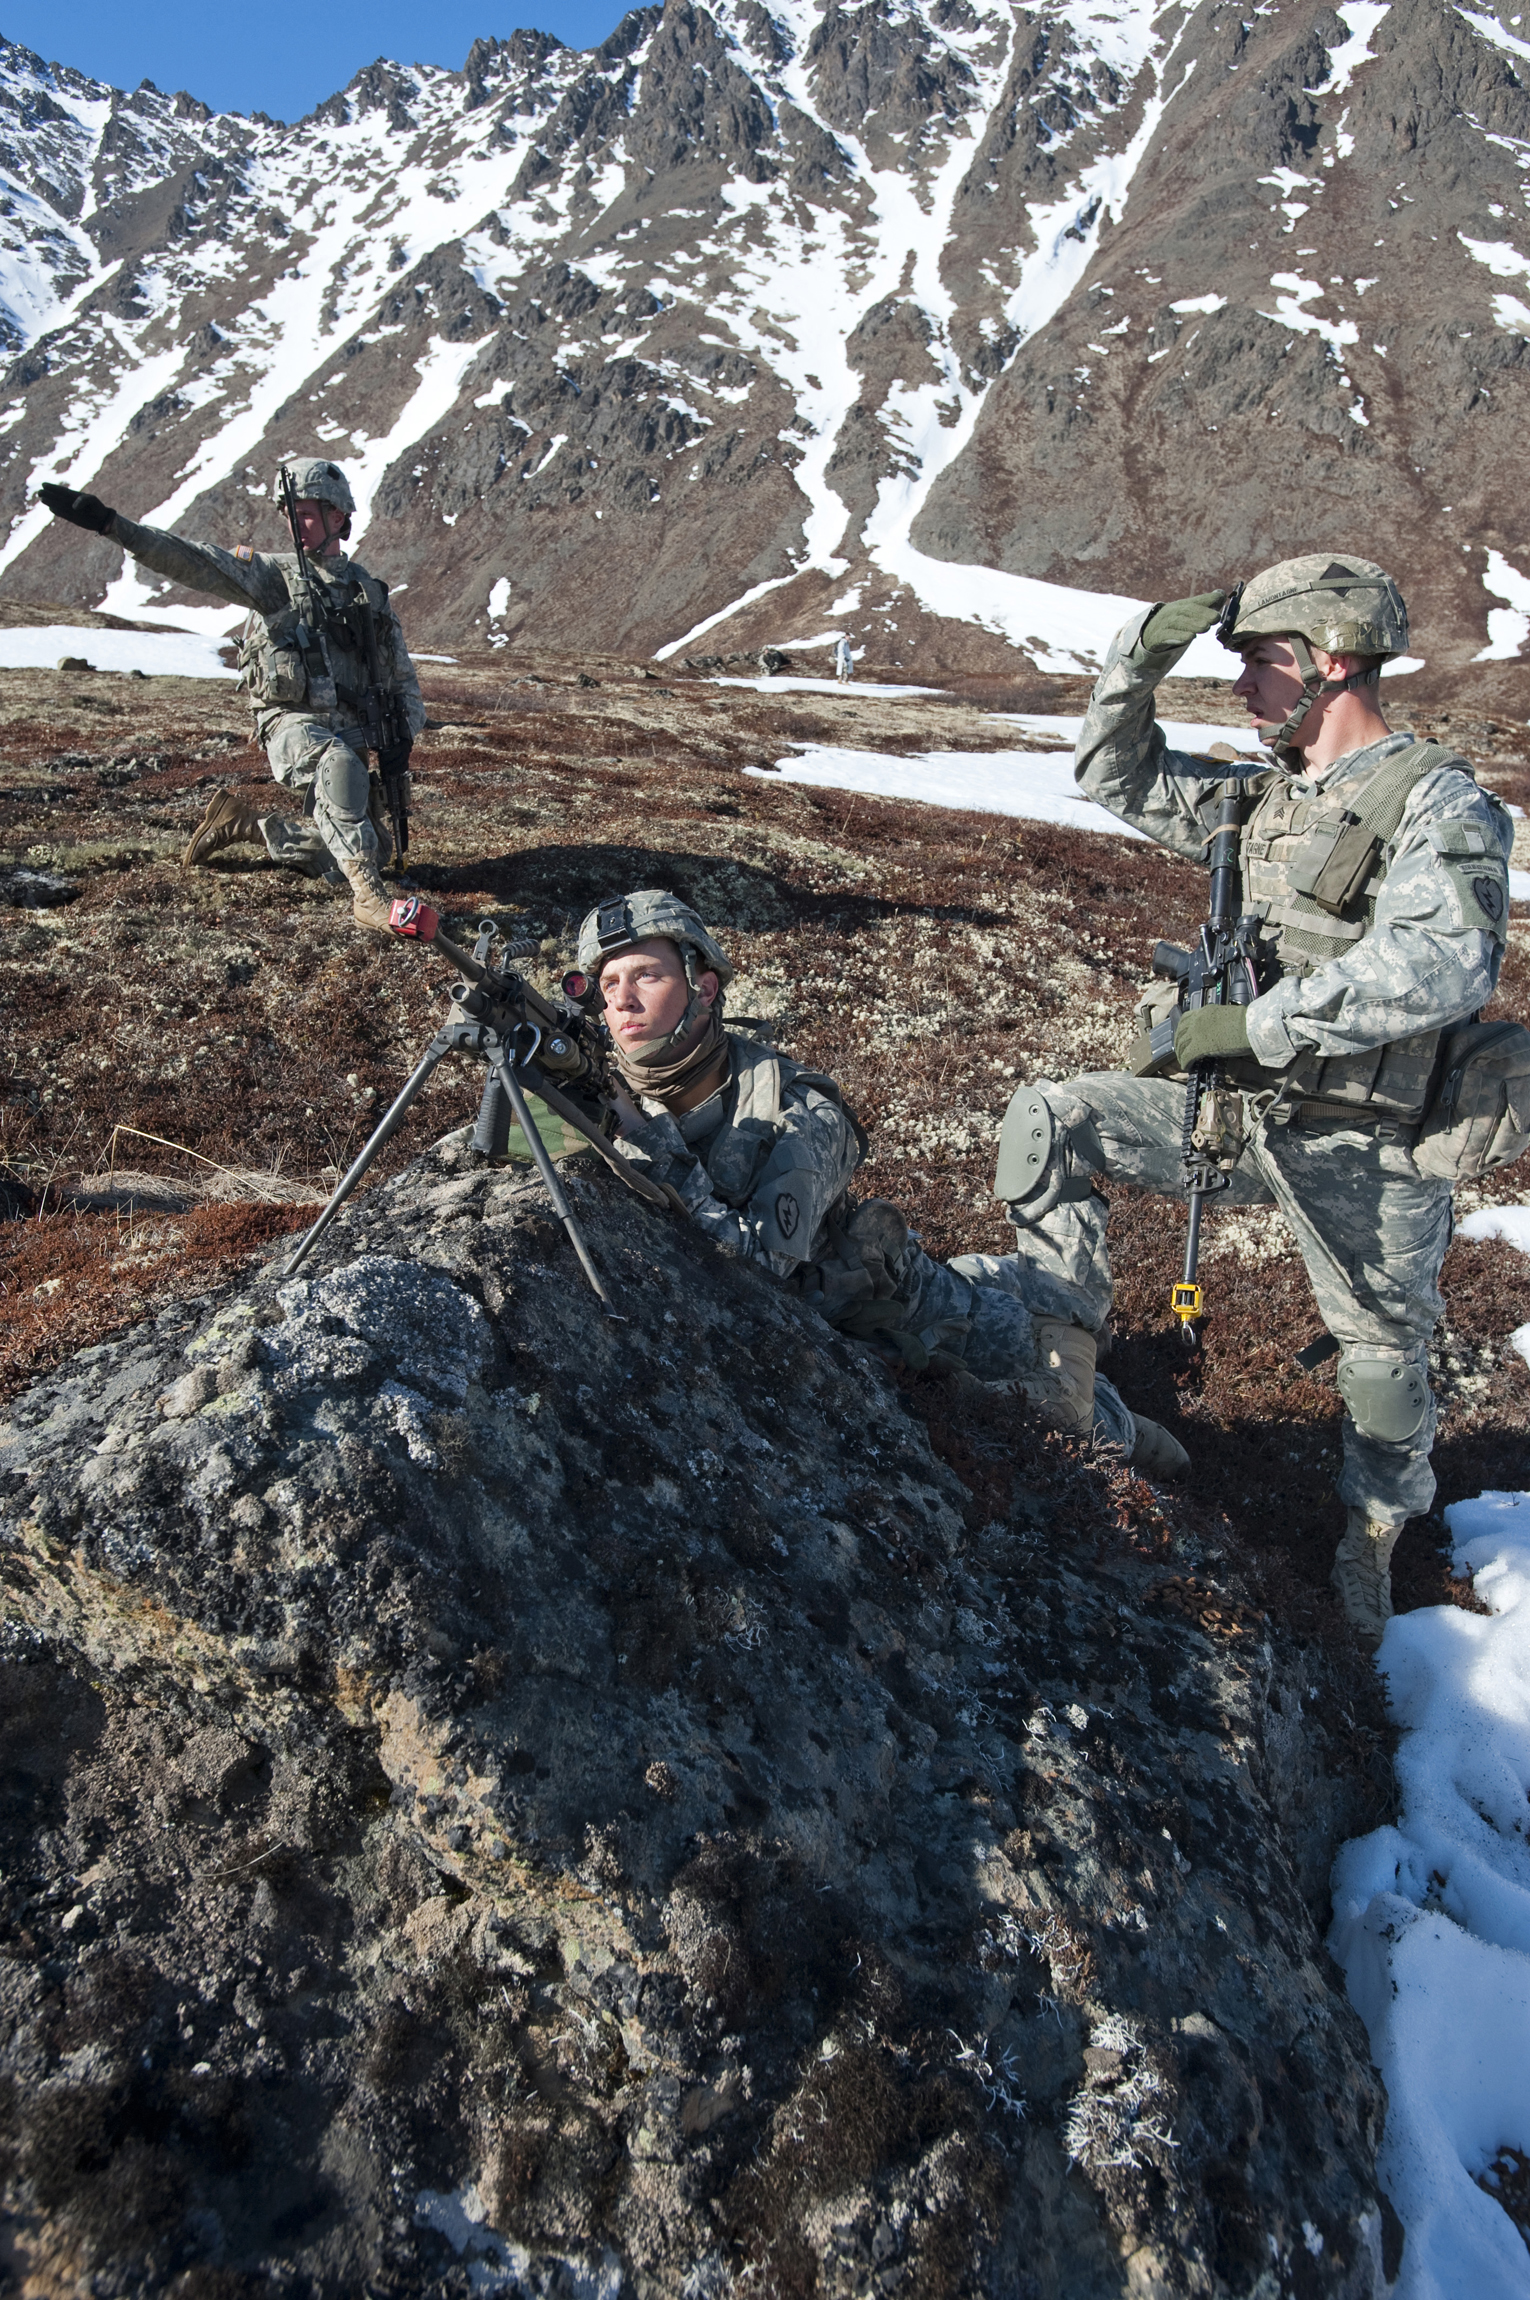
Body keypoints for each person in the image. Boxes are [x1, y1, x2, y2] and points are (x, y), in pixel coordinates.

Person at [990, 554, 1515, 1644]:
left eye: (1260, 662)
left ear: (1333, 663)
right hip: (1234, 1122)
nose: (1240, 686)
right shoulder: (1254, 798)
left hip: (1368, 1139)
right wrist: (1136, 662)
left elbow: (1444, 961)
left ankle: (1373, 1536)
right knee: (1051, 1118)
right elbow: (1115, 774)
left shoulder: (1439, 803)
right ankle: (1067, 1407)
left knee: (1383, 1359)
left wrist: (1253, 1026)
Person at [577, 890, 1187, 1472]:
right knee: (996, 1287)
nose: (623, 1000)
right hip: (863, 1278)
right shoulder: (606, 1090)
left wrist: (653, 1145)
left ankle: (1115, 1399)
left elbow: (756, 1272)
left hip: (896, 1307)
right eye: (607, 985)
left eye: (645, 976)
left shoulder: (795, 1110)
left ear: (703, 987)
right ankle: (1008, 1280)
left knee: (1070, 1412)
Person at [36, 461, 425, 931]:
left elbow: (401, 676)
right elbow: (196, 560)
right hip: (292, 724)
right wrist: (113, 525)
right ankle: (369, 900)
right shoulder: (272, 577)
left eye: (304, 514)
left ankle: (245, 824)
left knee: (370, 847)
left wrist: (405, 731)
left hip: (352, 728)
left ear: (338, 517)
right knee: (339, 764)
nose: (293, 524)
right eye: (290, 513)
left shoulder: (369, 592)